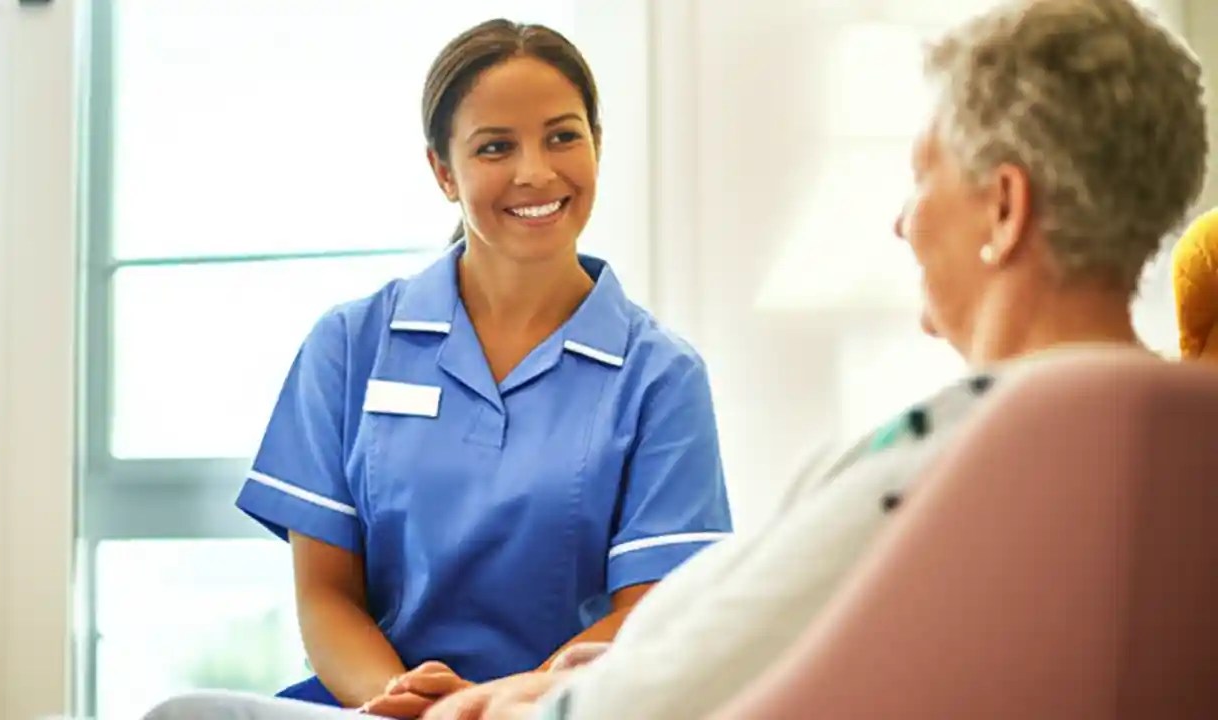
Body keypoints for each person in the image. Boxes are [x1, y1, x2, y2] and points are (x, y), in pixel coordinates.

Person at [409, 0, 1208, 717]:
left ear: (1003, 206)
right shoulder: (1185, 439)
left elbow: (657, 699)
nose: (903, 223)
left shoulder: (945, 458)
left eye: (923, 176)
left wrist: (508, 709)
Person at [147, 17, 732, 719]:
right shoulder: (349, 345)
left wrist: (498, 706)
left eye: (562, 135)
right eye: (495, 147)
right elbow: (326, 594)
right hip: (377, 709)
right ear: (443, 172)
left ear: (597, 146)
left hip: (555, 711)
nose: (536, 171)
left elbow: (649, 616)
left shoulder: (660, 377)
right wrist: (407, 706)